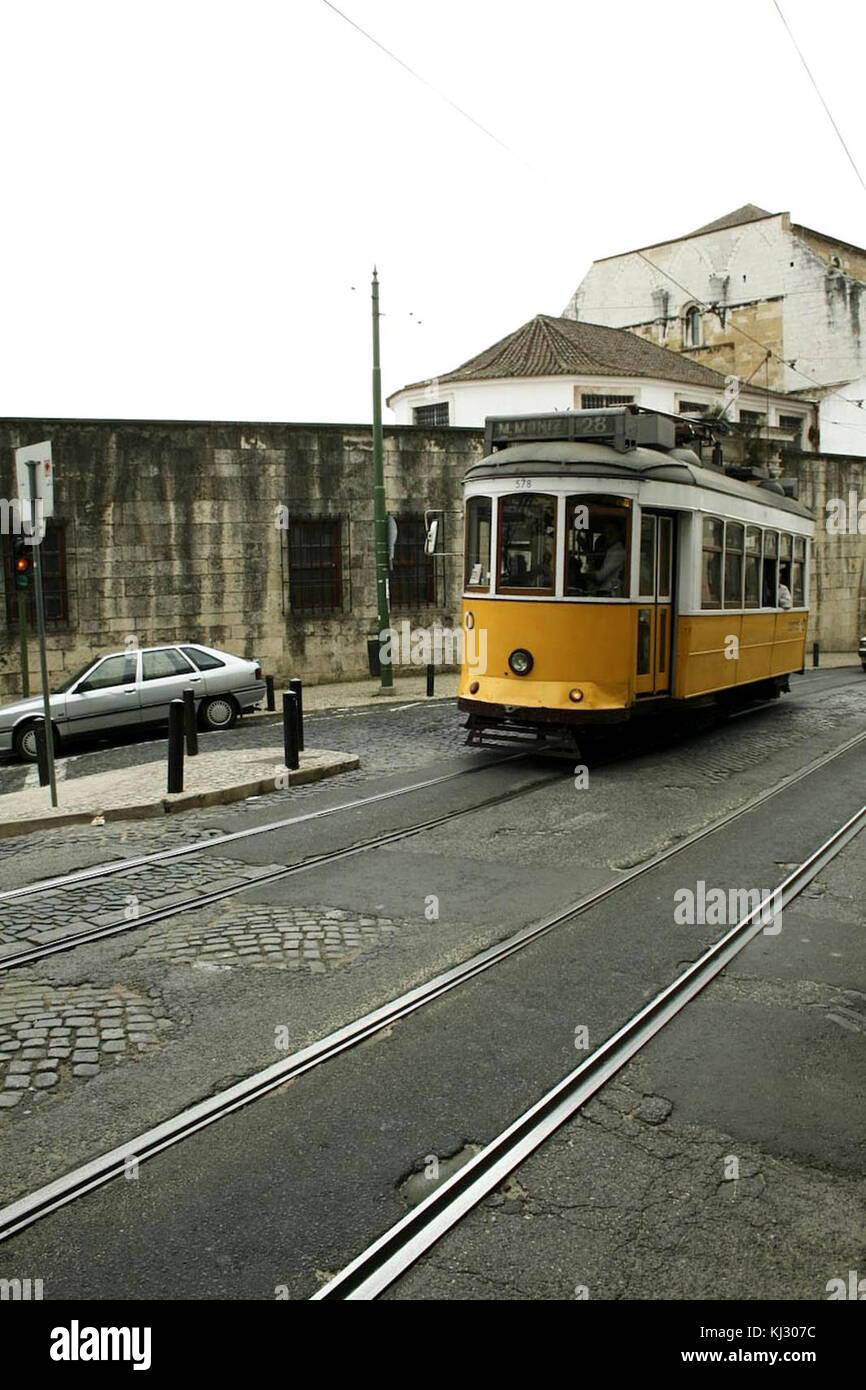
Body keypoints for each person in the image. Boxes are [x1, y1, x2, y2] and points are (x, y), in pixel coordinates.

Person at [589, 522, 626, 596]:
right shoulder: (611, 550)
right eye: (606, 533)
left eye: (611, 533)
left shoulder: (618, 552)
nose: (608, 536)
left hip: (610, 593)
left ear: (619, 533)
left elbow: (601, 576)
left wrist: (584, 575)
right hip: (605, 590)